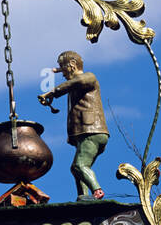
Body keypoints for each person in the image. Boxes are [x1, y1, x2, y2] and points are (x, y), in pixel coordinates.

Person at [37, 51, 109, 200]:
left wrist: (52, 93)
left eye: (63, 67)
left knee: (79, 166)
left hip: (92, 131)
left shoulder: (89, 77)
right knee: (77, 168)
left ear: (72, 65)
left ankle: (97, 191)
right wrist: (58, 71)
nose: (62, 72)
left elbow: (77, 81)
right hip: (86, 133)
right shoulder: (74, 85)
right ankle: (83, 197)